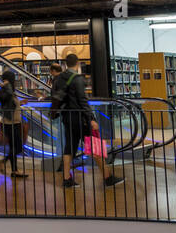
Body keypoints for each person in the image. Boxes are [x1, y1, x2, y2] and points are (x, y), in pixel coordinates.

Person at [50, 52, 122, 189]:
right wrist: (92, 118)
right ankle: (108, 177)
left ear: (65, 64)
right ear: (77, 64)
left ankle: (67, 179)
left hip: (67, 118)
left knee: (69, 147)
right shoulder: (78, 79)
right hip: (81, 118)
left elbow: (54, 96)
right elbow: (83, 101)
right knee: (95, 146)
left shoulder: (58, 79)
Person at [0, 72, 27, 178]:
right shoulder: (6, 90)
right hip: (11, 123)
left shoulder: (8, 91)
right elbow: (6, 100)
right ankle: (3, 162)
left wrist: (20, 103)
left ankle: (15, 171)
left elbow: (11, 103)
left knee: (13, 147)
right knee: (18, 147)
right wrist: (7, 84)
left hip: (13, 123)